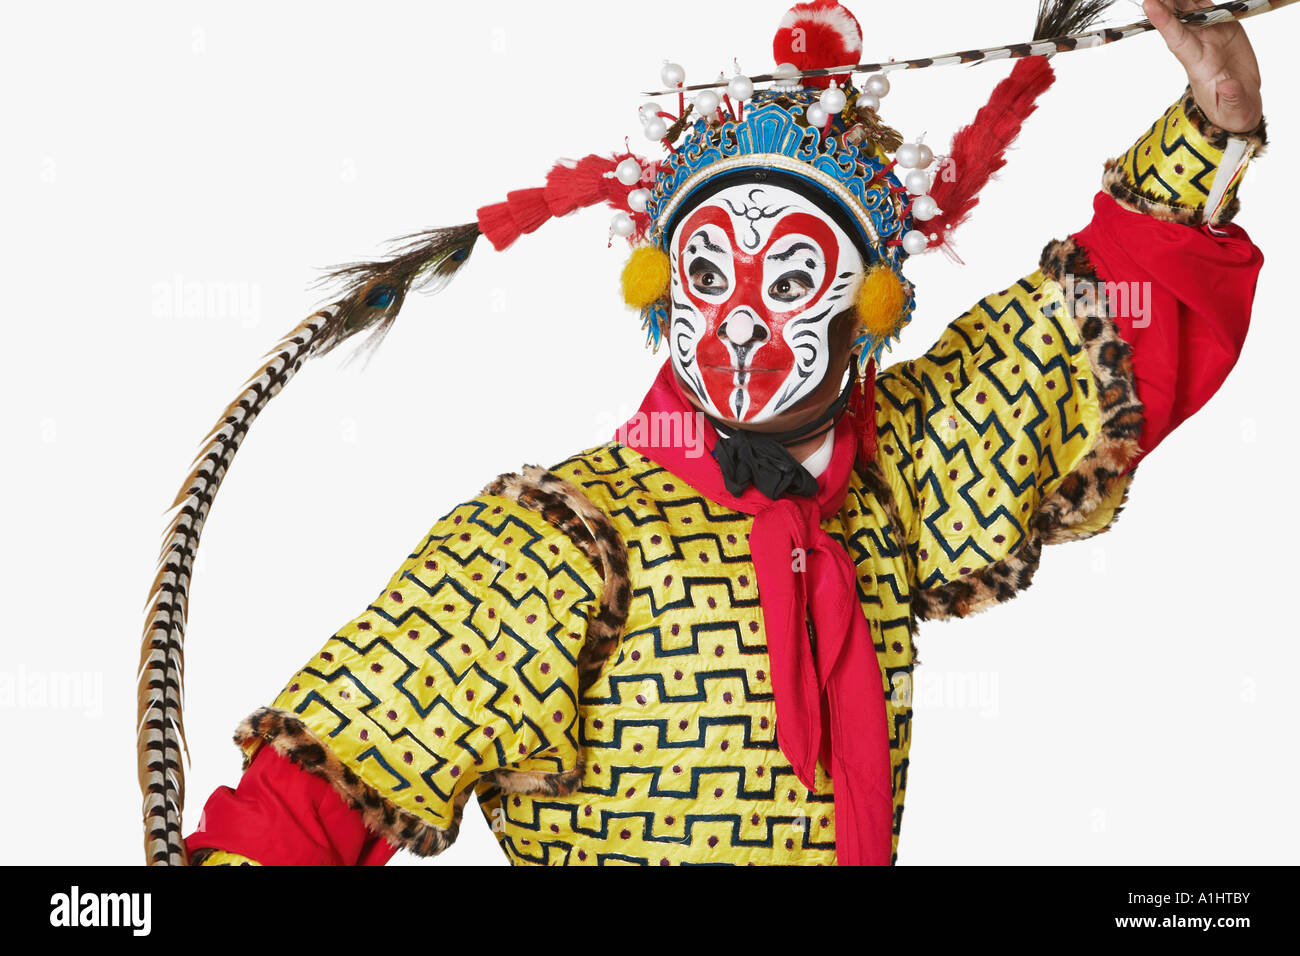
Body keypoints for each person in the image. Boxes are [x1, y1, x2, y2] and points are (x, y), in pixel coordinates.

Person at [139, 0, 1269, 866]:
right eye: (706, 274)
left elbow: (1094, 330)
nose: (738, 324)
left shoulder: (886, 482)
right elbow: (328, 781)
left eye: (788, 276)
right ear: (660, 293)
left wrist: (1211, 120)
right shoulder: (552, 542)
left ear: (871, 304)